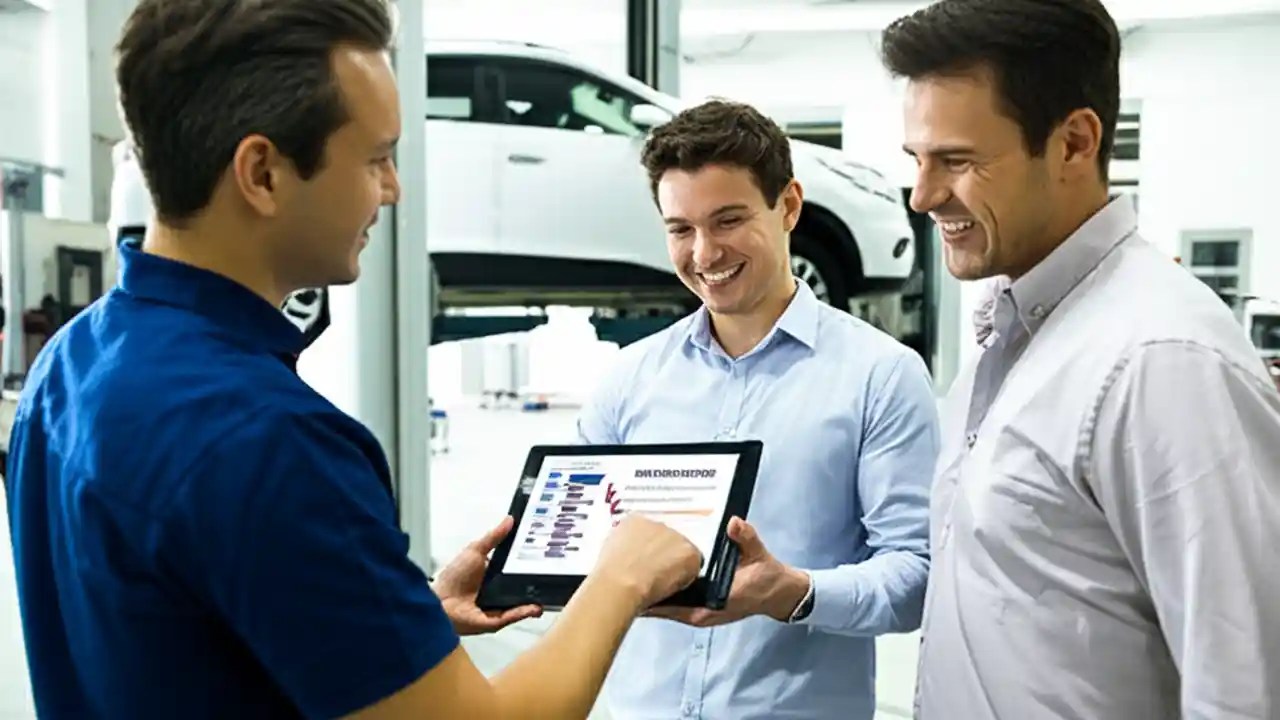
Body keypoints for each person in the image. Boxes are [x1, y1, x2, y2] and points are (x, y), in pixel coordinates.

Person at [2, 1, 704, 718]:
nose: (394, 189)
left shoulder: (69, 363)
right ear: (263, 174)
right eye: (375, 159)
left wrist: (390, 618)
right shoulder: (270, 442)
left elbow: (175, 634)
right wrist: (620, 577)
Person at [879, 1, 1280, 717]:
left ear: (1073, 143)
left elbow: (1244, 685)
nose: (924, 194)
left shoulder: (1162, 362)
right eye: (917, 160)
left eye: (958, 161)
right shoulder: (1019, 334)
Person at [576, 99, 941, 720]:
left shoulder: (880, 376)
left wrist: (796, 593)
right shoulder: (629, 380)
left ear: (790, 206)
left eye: (728, 221)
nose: (704, 253)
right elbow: (581, 545)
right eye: (680, 229)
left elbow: (917, 577)